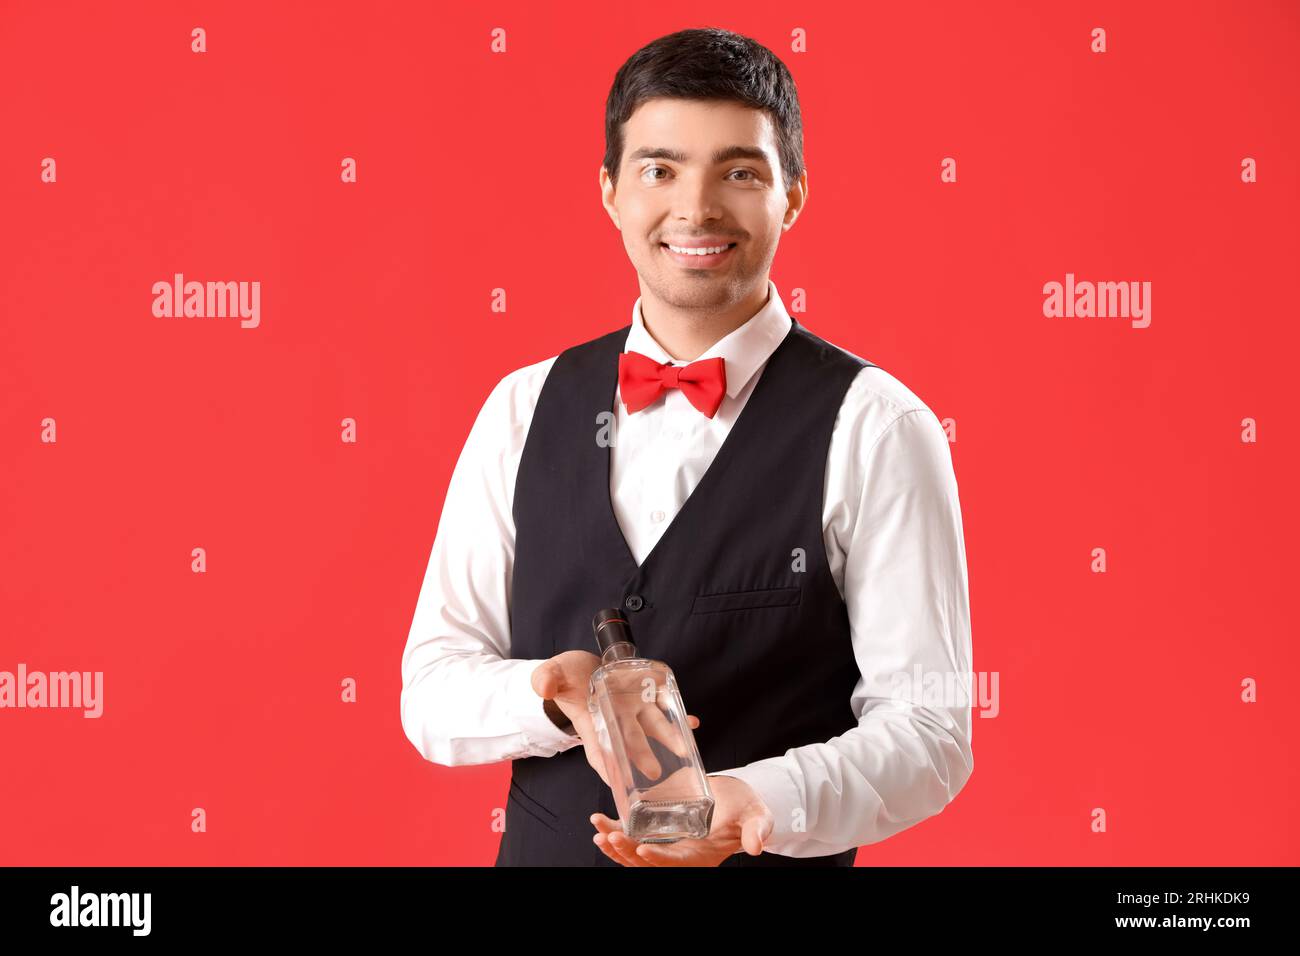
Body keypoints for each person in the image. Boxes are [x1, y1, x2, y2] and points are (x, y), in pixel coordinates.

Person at [400, 27, 974, 867]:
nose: (696, 208)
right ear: (610, 191)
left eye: (739, 172)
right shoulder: (521, 407)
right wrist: (550, 697)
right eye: (659, 169)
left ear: (794, 194)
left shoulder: (878, 427)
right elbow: (432, 689)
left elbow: (930, 732)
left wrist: (757, 801)